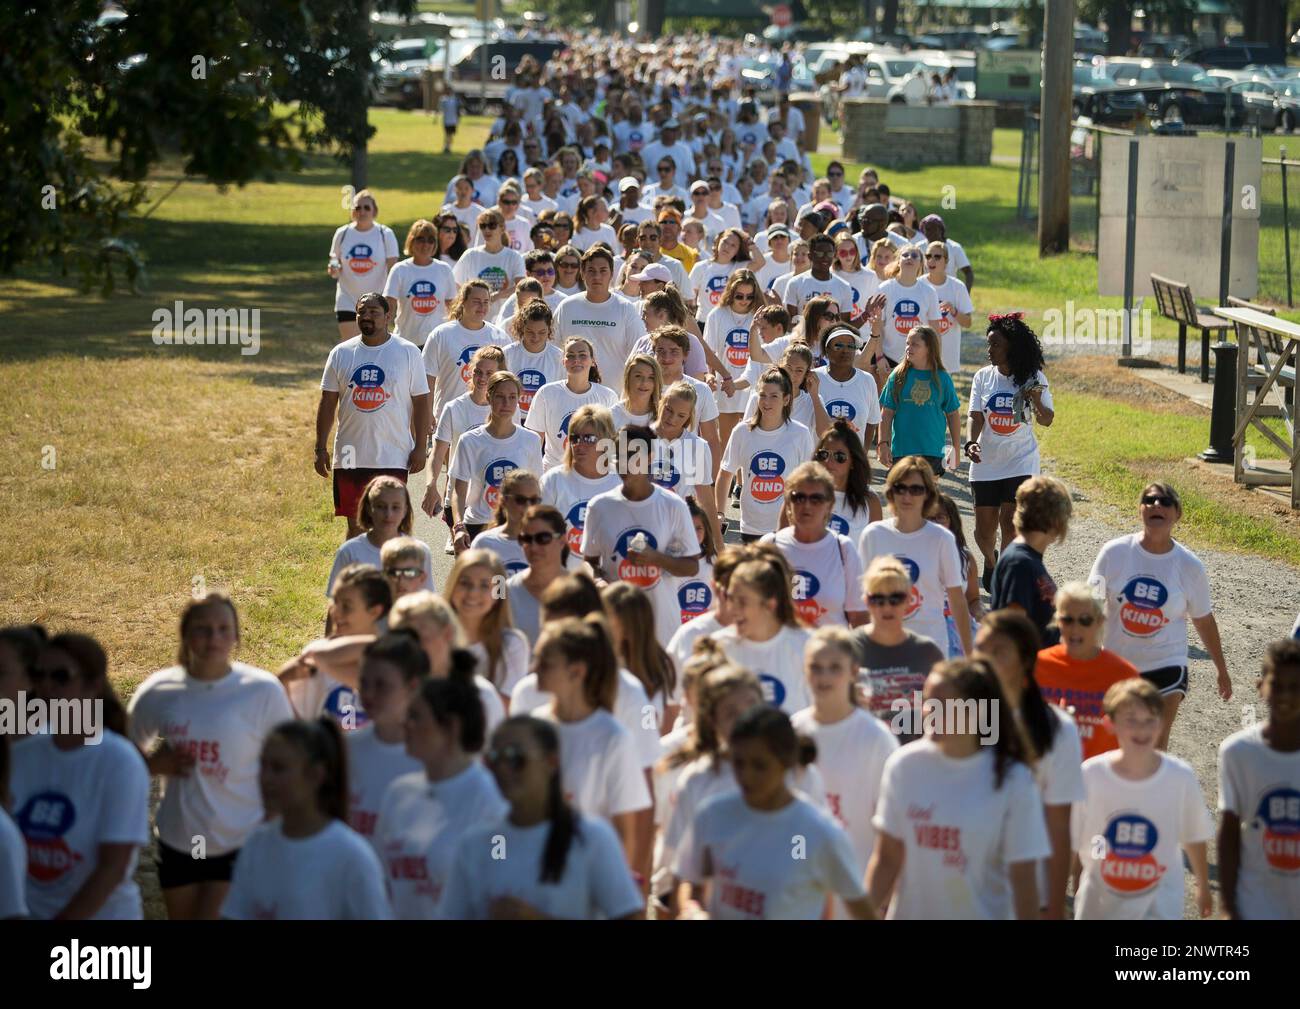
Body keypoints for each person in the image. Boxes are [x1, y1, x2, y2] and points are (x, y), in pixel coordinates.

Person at [127, 593, 294, 920]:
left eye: (223, 628)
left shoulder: (262, 690)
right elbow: (120, 755)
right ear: (186, 635)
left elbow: (290, 760)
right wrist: (153, 765)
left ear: (236, 635)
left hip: (239, 839)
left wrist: (276, 819)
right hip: (180, 839)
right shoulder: (160, 690)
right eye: (202, 629)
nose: (213, 638)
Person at [867, 657, 1050, 919]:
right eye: (927, 702)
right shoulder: (903, 765)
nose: (929, 712)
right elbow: (886, 860)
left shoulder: (1014, 779)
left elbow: (1023, 880)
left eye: (942, 705)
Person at [675, 706, 877, 920]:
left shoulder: (819, 832)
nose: (747, 776)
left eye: (759, 766)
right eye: (739, 763)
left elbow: (861, 910)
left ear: (787, 761)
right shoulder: (712, 815)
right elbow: (690, 882)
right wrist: (692, 910)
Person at [438, 716, 644, 919]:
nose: (502, 769)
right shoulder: (475, 844)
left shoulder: (591, 838)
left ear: (551, 762)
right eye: (493, 759)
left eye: (514, 757)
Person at [10, 634, 148, 919]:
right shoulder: (22, 755)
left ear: (93, 685)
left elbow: (112, 868)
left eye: (61, 677)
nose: (46, 687)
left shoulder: (120, 761)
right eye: (39, 675)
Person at [1088, 483, 1232, 750]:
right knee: (1113, 744)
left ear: (1178, 514)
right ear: (1140, 509)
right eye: (1149, 500)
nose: (1157, 505)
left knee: (1154, 747)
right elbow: (1091, 606)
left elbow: (1202, 619)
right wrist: (1086, 657)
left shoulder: (1190, 567)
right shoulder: (1113, 553)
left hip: (1167, 665)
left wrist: (1221, 669)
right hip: (1118, 664)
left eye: (1165, 501)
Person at [1071, 679, 1214, 920]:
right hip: (1100, 905)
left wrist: (1203, 884)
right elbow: (1073, 841)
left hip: (1158, 906)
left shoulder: (1180, 776)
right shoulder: (1091, 774)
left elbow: (1194, 835)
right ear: (1110, 723)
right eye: (1131, 721)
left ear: (1162, 724)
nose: (1142, 729)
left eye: (1150, 720)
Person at [974, 610, 1085, 920]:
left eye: (999, 652)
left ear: (1025, 660)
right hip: (962, 885)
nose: (985, 660)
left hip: (1027, 891)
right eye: (980, 649)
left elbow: (1059, 826)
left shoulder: (1058, 729)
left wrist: (1052, 907)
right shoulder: (955, 717)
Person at [221, 718, 392, 919]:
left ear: (316, 775)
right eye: (262, 765)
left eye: (278, 768)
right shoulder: (257, 844)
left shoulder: (351, 857)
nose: (265, 778)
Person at [373, 676, 508, 919]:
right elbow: (381, 884)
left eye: (415, 716)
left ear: (452, 727)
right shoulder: (398, 794)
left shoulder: (492, 803)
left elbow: (502, 888)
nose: (405, 723)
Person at [791, 627, 898, 917]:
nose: (824, 677)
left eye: (834, 668)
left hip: (858, 899)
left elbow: (891, 835)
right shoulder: (791, 732)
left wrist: (877, 904)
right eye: (816, 667)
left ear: (853, 672)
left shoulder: (876, 739)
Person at [316, 292, 430, 541]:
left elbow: (421, 401)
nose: (367, 317)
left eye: (374, 312)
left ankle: (389, 577)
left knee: (391, 526)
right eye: (361, 312)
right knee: (355, 526)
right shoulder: (341, 353)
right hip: (349, 454)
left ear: (388, 316)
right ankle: (357, 577)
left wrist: (420, 445)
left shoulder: (408, 352)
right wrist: (320, 447)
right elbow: (327, 402)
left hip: (393, 452)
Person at [581, 425, 702, 650]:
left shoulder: (673, 505)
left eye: (632, 455)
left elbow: (691, 566)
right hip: (615, 627)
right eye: (619, 456)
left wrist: (655, 558)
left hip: (661, 630)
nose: (625, 463)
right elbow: (589, 562)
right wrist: (598, 581)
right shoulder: (599, 506)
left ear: (650, 457)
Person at [966, 313, 1053, 587]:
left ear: (1012, 347)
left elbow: (1047, 419)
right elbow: (975, 415)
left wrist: (1036, 398)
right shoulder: (983, 377)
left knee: (1010, 524)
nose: (989, 351)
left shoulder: (1034, 377)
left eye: (995, 345)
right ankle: (991, 560)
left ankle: (1003, 573)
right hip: (986, 461)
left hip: (1021, 460)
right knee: (983, 532)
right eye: (989, 345)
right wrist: (971, 441)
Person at [1217, 638, 1300, 920]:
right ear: (1260, 686)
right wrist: (1228, 905)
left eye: (1295, 688)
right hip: (1255, 903)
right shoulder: (1238, 752)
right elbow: (1228, 831)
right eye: (1277, 686)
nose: (1286, 696)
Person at [859, 457, 972, 656]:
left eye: (916, 489)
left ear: (928, 494)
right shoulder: (873, 535)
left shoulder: (942, 538)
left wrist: (970, 655)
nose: (907, 496)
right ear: (890, 491)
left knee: (922, 690)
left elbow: (957, 601)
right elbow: (861, 599)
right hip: (883, 650)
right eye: (900, 488)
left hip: (929, 651)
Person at [1035, 581, 1138, 761]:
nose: (1076, 629)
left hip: (1100, 780)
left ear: (1099, 622)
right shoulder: (1037, 666)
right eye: (1068, 620)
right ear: (1057, 621)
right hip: (1048, 776)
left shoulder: (1124, 676)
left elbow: (1137, 737)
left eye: (1085, 620)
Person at [850, 557, 947, 741]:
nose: (887, 607)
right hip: (864, 760)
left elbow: (945, 717)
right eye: (878, 598)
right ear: (866, 601)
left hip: (915, 762)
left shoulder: (928, 652)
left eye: (895, 598)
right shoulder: (847, 649)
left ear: (910, 600)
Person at [760, 461, 866, 628]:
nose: (806, 505)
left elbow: (859, 618)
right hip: (781, 652)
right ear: (788, 503)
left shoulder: (844, 549)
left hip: (831, 651)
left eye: (816, 499)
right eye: (798, 497)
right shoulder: (770, 546)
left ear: (829, 505)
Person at [345, 633, 428, 843]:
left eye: (382, 685)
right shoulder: (345, 749)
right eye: (364, 683)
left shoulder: (436, 758)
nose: (369, 694)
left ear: (413, 687)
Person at [718, 366, 815, 542]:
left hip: (788, 527)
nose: (767, 401)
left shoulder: (800, 433)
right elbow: (725, 474)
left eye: (774, 396)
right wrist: (720, 513)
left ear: (786, 399)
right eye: (762, 395)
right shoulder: (742, 431)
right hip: (751, 525)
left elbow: (809, 481)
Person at [448, 371, 543, 550]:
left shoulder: (531, 440)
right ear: (489, 397)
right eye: (500, 397)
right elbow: (458, 492)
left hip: (516, 528)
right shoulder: (470, 440)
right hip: (477, 526)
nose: (506, 403)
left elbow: (536, 490)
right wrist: (459, 527)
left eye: (512, 397)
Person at [711, 554, 812, 712]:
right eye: (730, 598)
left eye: (743, 602)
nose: (733, 609)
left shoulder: (807, 647)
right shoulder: (718, 648)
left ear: (770, 605)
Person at [421, 344, 503, 530]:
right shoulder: (454, 408)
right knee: (464, 558)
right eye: (478, 372)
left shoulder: (505, 408)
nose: (482, 378)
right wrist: (431, 485)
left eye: (489, 373)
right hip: (460, 498)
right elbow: (438, 452)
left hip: (494, 501)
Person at [990, 475, 1073, 648]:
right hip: (1029, 670)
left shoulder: (1027, 558)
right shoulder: (1019, 563)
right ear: (1057, 521)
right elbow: (1014, 632)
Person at [423, 280, 510, 430]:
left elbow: (506, 380)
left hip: (488, 418)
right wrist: (428, 412)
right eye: (476, 301)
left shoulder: (499, 336)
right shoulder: (441, 334)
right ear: (462, 302)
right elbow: (427, 378)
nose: (482, 306)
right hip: (448, 416)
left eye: (486, 302)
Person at [445, 549, 530, 702]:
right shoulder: (433, 635)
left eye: (484, 585)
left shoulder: (512, 644)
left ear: (498, 595)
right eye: (465, 583)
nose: (472, 592)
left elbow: (507, 708)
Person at [328, 475, 433, 596]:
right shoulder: (349, 552)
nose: (388, 514)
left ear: (405, 510)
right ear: (368, 508)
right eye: (380, 507)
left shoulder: (420, 551)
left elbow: (427, 601)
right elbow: (335, 604)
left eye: (395, 507)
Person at [877, 325, 961, 477]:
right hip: (902, 450)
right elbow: (887, 412)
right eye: (907, 343)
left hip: (932, 450)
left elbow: (953, 414)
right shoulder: (897, 376)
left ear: (929, 348)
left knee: (928, 497)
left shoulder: (942, 378)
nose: (909, 348)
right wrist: (883, 443)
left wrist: (956, 448)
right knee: (903, 495)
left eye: (915, 344)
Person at [525, 336, 618, 472]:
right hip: (553, 473)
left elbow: (611, 443)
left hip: (592, 473)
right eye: (571, 356)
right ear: (563, 361)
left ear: (593, 361)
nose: (576, 360)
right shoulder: (547, 393)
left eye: (582, 355)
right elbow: (534, 441)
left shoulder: (608, 396)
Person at [553, 246, 646, 381]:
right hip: (572, 394)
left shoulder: (626, 309)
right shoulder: (566, 307)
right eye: (591, 271)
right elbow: (553, 351)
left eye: (603, 271)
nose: (597, 276)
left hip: (613, 395)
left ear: (611, 274)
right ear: (582, 273)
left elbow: (640, 354)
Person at [327, 189, 400, 340]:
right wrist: (334, 268)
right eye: (357, 207)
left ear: (374, 211)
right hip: (347, 299)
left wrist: (389, 301)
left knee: (374, 346)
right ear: (352, 211)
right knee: (350, 347)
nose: (362, 211)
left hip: (376, 302)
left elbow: (393, 270)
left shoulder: (385, 234)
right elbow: (334, 261)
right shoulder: (342, 233)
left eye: (366, 207)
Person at [703, 270, 762, 455]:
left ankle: (741, 483)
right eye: (739, 296)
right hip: (725, 387)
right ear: (730, 292)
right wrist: (710, 376)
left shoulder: (759, 316)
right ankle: (726, 484)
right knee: (725, 443)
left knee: (750, 444)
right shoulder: (717, 315)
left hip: (752, 387)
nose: (744, 300)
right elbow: (708, 352)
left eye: (750, 297)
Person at [383, 219, 458, 348]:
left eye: (430, 240)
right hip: (405, 341)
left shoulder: (444, 269)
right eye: (421, 239)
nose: (425, 244)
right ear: (411, 241)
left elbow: (453, 307)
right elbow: (388, 306)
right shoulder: (400, 270)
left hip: (437, 343)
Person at [508, 505, 575, 646]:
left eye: (543, 538)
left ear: (562, 540)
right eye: (526, 539)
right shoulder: (508, 591)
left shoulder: (581, 592)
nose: (533, 547)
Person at [927, 492, 983, 656]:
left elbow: (973, 599)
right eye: (929, 518)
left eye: (940, 517)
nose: (935, 523)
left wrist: (981, 614)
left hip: (958, 629)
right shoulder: (910, 555)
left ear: (952, 522)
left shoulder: (965, 557)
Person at [813, 421, 881, 544]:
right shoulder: (800, 495)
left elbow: (876, 554)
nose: (829, 461)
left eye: (840, 456)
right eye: (824, 454)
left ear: (853, 462)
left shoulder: (870, 501)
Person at [877, 245, 943, 370]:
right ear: (898, 261)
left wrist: (935, 359)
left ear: (921, 263)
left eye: (914, 256)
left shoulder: (929, 291)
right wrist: (879, 357)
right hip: (889, 357)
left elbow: (935, 330)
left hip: (920, 359)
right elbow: (877, 327)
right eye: (905, 255)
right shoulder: (884, 288)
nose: (909, 258)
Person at [814, 326, 882, 446]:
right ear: (827, 350)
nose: (845, 350)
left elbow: (871, 423)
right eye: (838, 345)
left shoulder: (867, 380)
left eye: (850, 346)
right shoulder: (813, 378)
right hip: (817, 460)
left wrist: (863, 455)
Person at [470, 468, 543, 576]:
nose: (528, 507)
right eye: (520, 500)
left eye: (534, 500)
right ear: (504, 501)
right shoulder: (485, 543)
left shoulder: (546, 544)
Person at [504, 301, 566, 421]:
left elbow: (562, 396)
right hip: (512, 421)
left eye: (541, 332)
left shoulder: (559, 357)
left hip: (544, 422)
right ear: (522, 328)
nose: (536, 337)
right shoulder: (507, 354)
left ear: (549, 329)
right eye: (530, 332)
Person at [452, 209, 527, 309]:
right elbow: (455, 284)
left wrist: (496, 296)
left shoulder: (514, 257)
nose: (487, 230)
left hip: (503, 318)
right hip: (475, 318)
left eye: (491, 225)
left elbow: (522, 287)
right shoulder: (470, 255)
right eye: (483, 226)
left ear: (502, 228)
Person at [922, 240, 973, 374]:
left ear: (946, 261)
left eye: (937, 257)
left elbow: (968, 323)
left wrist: (953, 311)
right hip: (922, 351)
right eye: (928, 256)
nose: (932, 260)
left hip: (948, 354)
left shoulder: (957, 287)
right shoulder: (918, 284)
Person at [784, 234, 853, 320]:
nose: (825, 257)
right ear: (810, 256)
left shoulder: (844, 286)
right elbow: (791, 322)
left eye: (830, 253)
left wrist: (865, 315)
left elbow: (844, 324)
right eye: (820, 253)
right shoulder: (795, 283)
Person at [610, 354, 663, 431]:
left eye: (651, 377)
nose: (644, 383)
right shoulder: (612, 415)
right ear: (628, 378)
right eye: (638, 376)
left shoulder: (665, 416)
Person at [437, 86, 459, 154]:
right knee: (447, 134)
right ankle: (446, 147)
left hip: (453, 121)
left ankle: (449, 147)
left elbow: (458, 110)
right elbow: (439, 108)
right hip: (446, 120)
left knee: (451, 135)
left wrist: (458, 119)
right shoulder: (443, 99)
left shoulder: (455, 99)